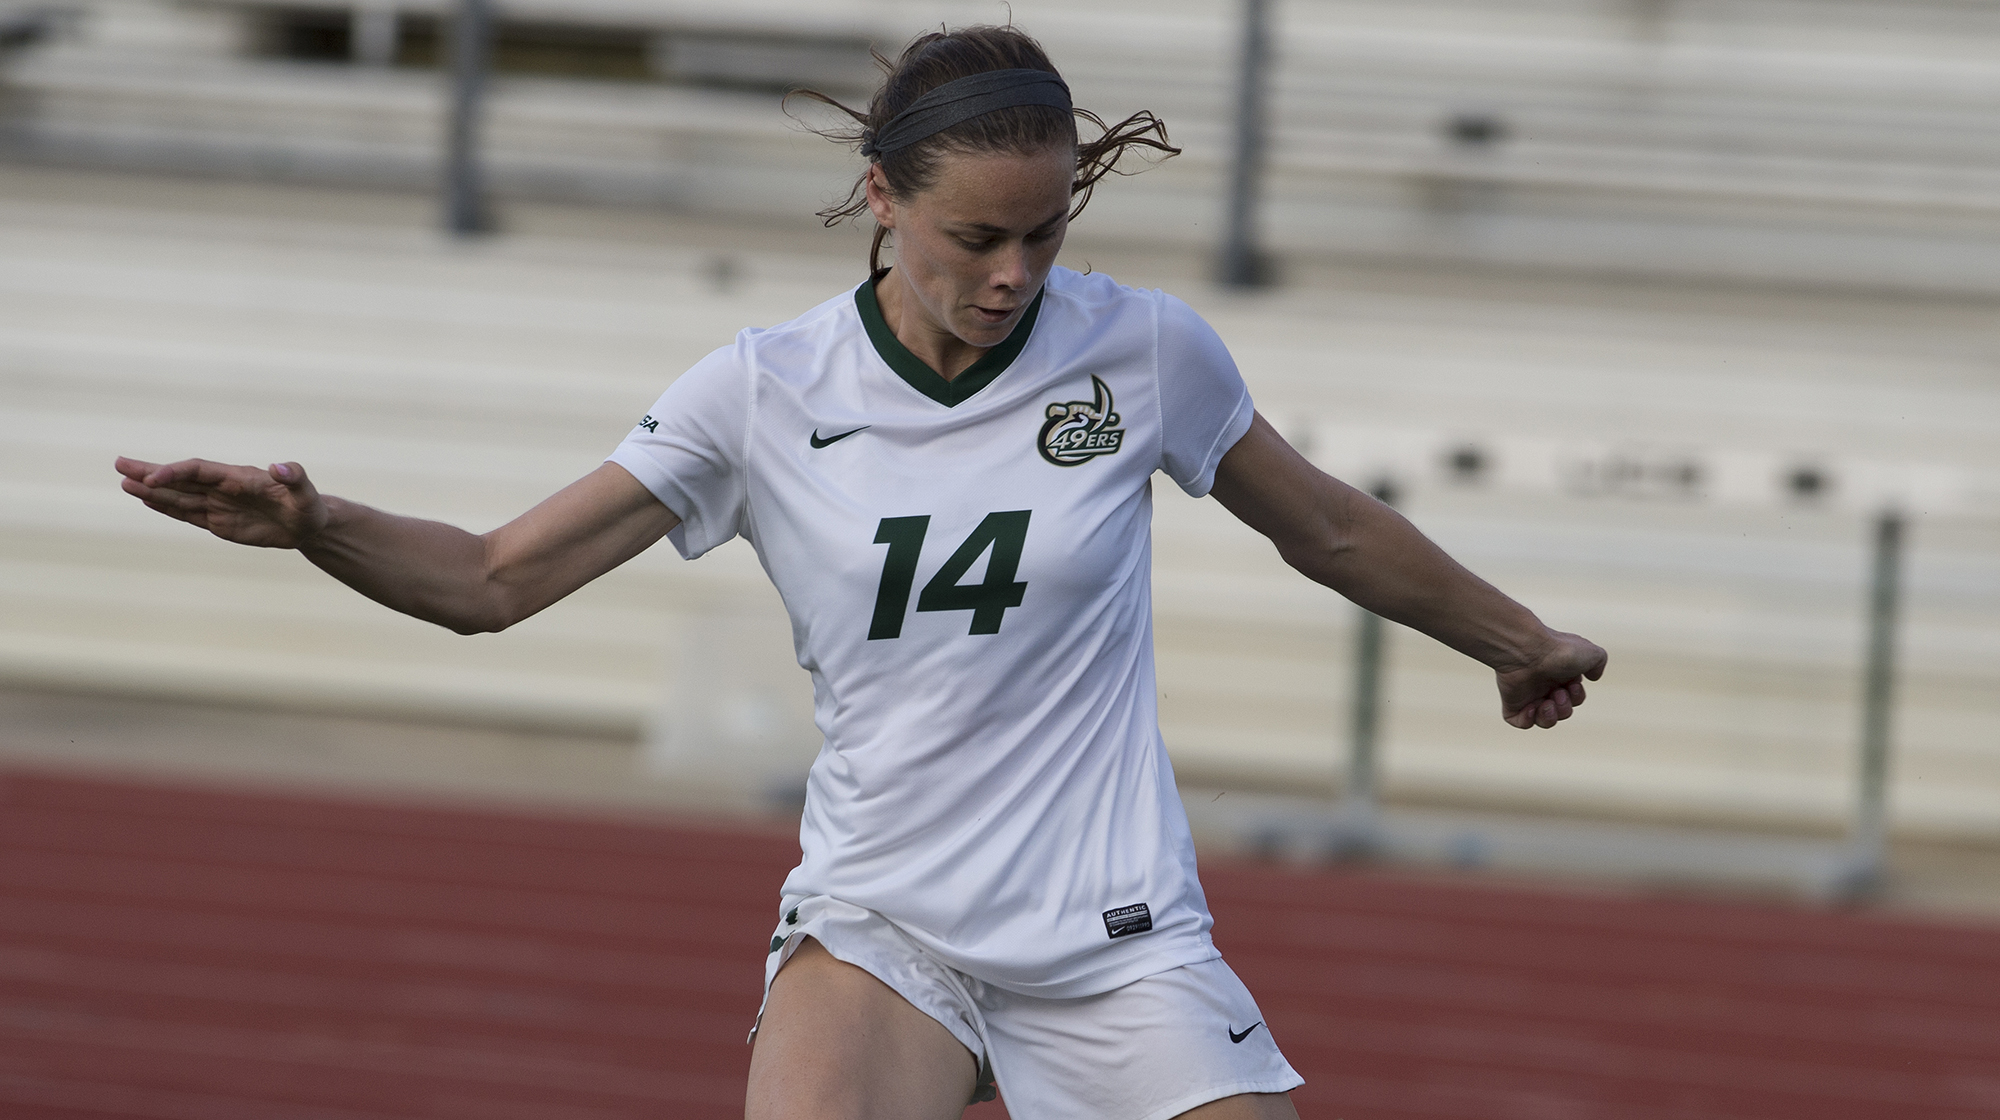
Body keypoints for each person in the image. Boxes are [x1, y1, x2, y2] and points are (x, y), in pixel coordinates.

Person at [115, 25, 1607, 1120]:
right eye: (976, 236)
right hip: (885, 926)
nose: (1015, 272)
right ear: (882, 197)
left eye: (1045, 230)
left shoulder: (1142, 351)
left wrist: (1515, 638)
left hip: (1115, 939)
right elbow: (495, 577)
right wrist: (320, 525)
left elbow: (1328, 526)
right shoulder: (758, 391)